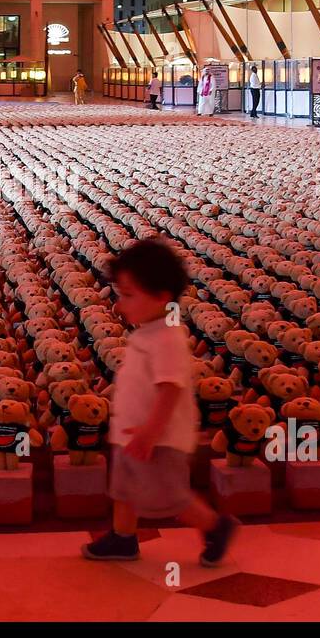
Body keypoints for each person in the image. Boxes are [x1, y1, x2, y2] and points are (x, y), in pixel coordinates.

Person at [82, 238, 238, 566]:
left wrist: (151, 432)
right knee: (122, 489)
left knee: (169, 495)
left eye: (128, 295)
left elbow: (171, 389)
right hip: (133, 434)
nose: (119, 304)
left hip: (158, 439)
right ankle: (123, 539)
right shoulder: (148, 331)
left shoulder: (167, 337)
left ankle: (215, 526)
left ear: (161, 297)